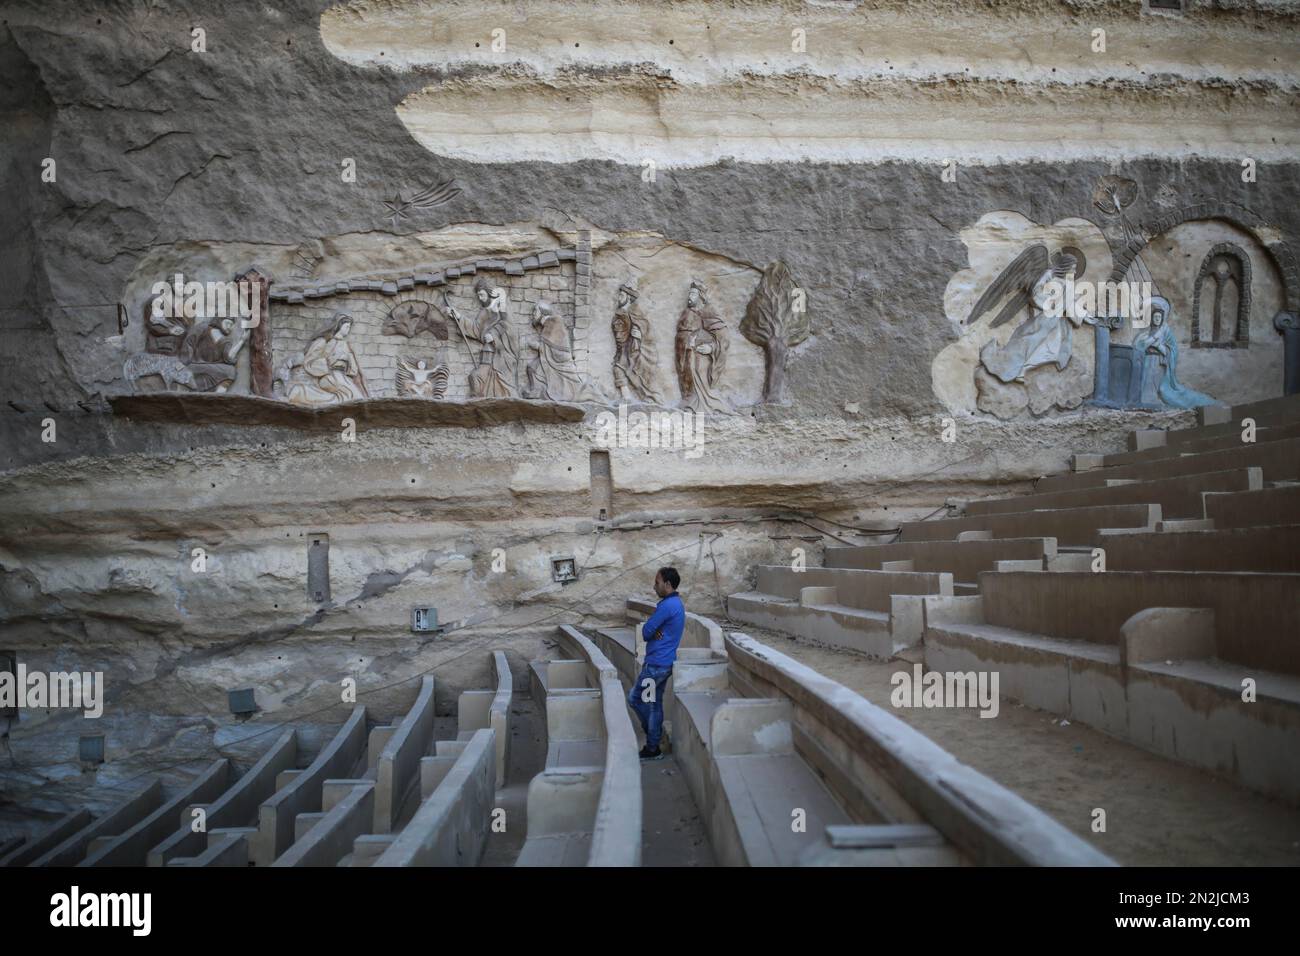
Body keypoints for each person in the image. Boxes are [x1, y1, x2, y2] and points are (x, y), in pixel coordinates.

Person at [628, 566, 685, 761]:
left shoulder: (668, 606)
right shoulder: (675, 604)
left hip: (655, 666)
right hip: (663, 664)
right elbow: (653, 631)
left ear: (668, 584)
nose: (654, 587)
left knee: (636, 699)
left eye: (657, 582)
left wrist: (655, 631)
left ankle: (654, 739)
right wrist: (656, 631)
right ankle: (654, 745)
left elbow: (646, 632)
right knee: (653, 703)